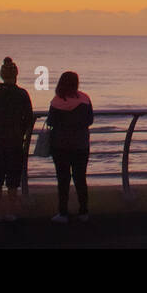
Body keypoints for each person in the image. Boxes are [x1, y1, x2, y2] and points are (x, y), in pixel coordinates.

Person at [0, 57, 34, 222]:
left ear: (1, 75)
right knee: (13, 178)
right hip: (16, 141)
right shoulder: (22, 94)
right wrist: (22, 132)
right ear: (16, 75)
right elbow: (29, 117)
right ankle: (11, 212)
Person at [46, 71, 93, 222]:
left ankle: (63, 213)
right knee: (80, 178)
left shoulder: (57, 101)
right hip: (81, 144)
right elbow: (90, 120)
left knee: (63, 179)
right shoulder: (85, 99)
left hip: (60, 145)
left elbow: (51, 122)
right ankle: (84, 211)